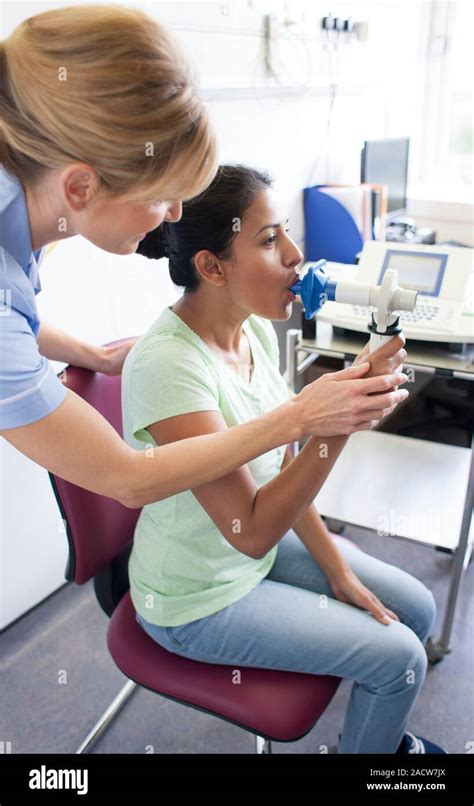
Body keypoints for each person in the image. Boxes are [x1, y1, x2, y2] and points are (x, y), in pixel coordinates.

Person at [0, 6, 399, 506]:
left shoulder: (30, 189)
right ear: (79, 187)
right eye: (162, 195)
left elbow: (19, 318)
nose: (173, 215)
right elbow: (127, 479)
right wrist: (304, 417)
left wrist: (97, 358)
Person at [122, 164, 445, 754]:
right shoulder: (170, 367)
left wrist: (338, 569)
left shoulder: (253, 333)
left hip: (254, 555)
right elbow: (251, 528)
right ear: (211, 266)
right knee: (400, 660)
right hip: (194, 597)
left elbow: (282, 477)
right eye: (271, 240)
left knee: (416, 609)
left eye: (287, 233)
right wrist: (336, 424)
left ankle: (368, 740)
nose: (296, 255)